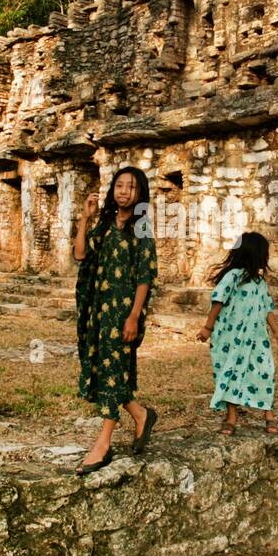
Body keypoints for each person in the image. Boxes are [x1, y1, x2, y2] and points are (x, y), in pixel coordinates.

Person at [73, 166, 158, 474]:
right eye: (119, 185)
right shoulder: (105, 222)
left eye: (131, 187)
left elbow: (144, 276)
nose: (124, 191)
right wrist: (86, 217)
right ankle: (140, 415)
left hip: (123, 312)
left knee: (112, 369)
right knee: (106, 368)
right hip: (98, 309)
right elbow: (81, 255)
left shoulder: (141, 227)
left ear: (140, 194)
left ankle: (103, 444)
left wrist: (134, 316)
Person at [196, 232, 278, 434]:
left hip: (257, 338)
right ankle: (231, 416)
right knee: (231, 372)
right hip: (231, 337)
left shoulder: (260, 283)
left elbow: (267, 308)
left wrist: (277, 332)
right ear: (255, 254)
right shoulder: (232, 277)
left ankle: (268, 414)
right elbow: (218, 301)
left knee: (265, 371)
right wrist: (208, 327)